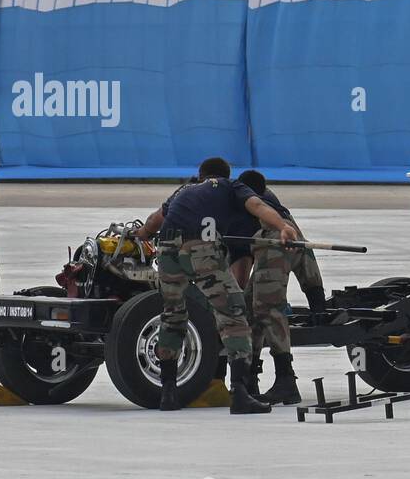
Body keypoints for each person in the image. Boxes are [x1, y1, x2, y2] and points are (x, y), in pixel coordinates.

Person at [135, 157, 299, 413]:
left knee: (173, 315)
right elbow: (257, 204)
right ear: (225, 175)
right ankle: (240, 392)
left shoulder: (184, 189)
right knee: (233, 315)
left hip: (166, 249)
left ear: (201, 175)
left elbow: (156, 219)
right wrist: (282, 226)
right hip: (200, 248)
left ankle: (168, 394)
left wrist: (141, 235)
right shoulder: (231, 186)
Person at [226, 169, 326, 404]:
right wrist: (317, 301)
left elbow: (241, 267)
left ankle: (286, 381)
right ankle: (250, 379)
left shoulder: (241, 203)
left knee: (266, 309)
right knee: (251, 307)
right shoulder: (268, 199)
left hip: (272, 242)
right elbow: (303, 254)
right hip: (289, 239)